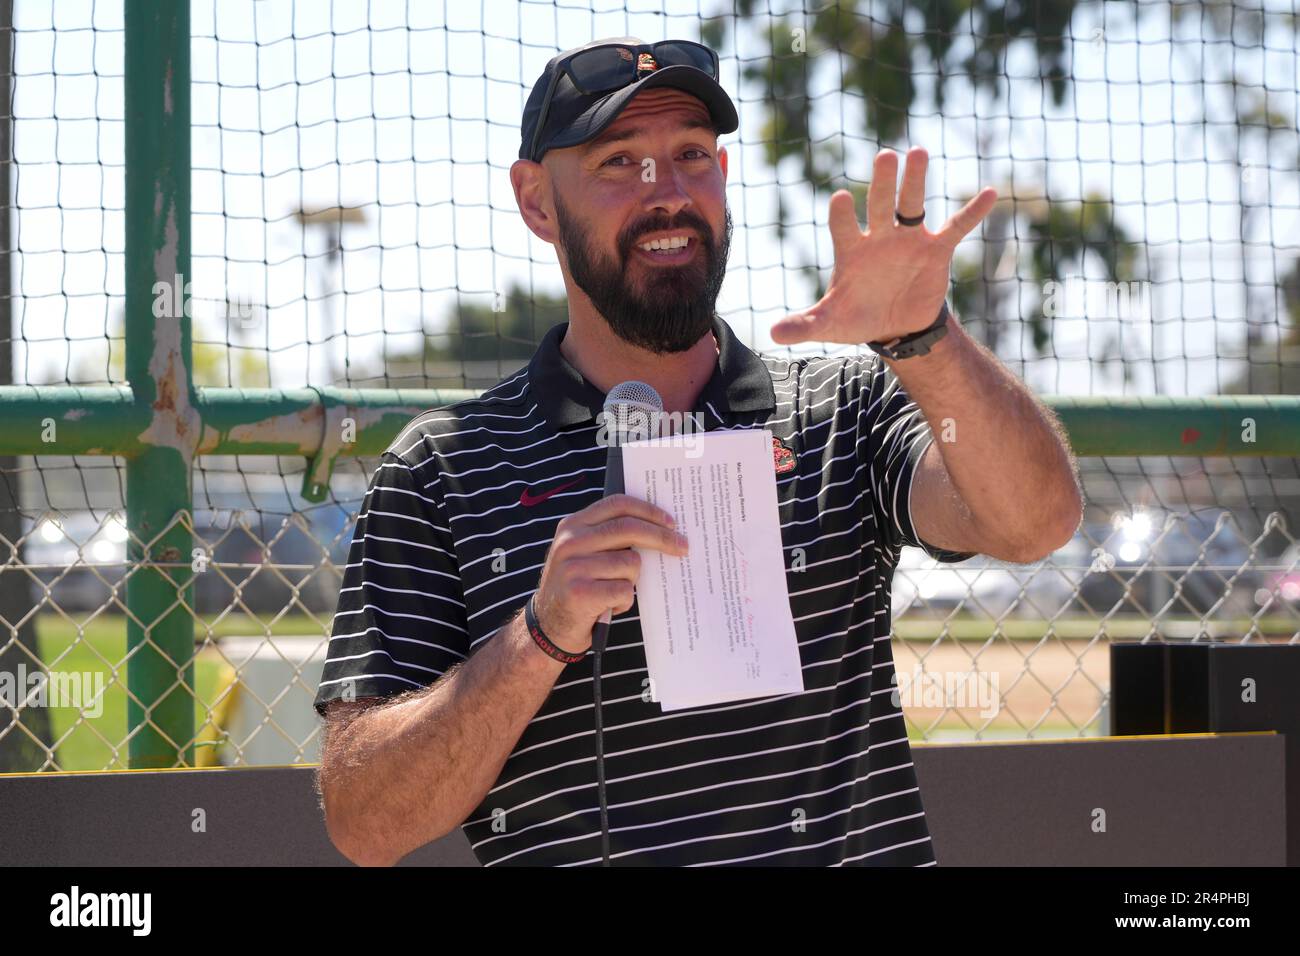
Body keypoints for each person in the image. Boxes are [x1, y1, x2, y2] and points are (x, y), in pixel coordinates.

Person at [313, 36, 1082, 866]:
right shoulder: (444, 468)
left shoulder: (845, 405)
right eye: (619, 162)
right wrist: (539, 635)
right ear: (536, 202)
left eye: (691, 154)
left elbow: (1034, 524)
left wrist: (925, 339)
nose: (668, 194)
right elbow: (364, 820)